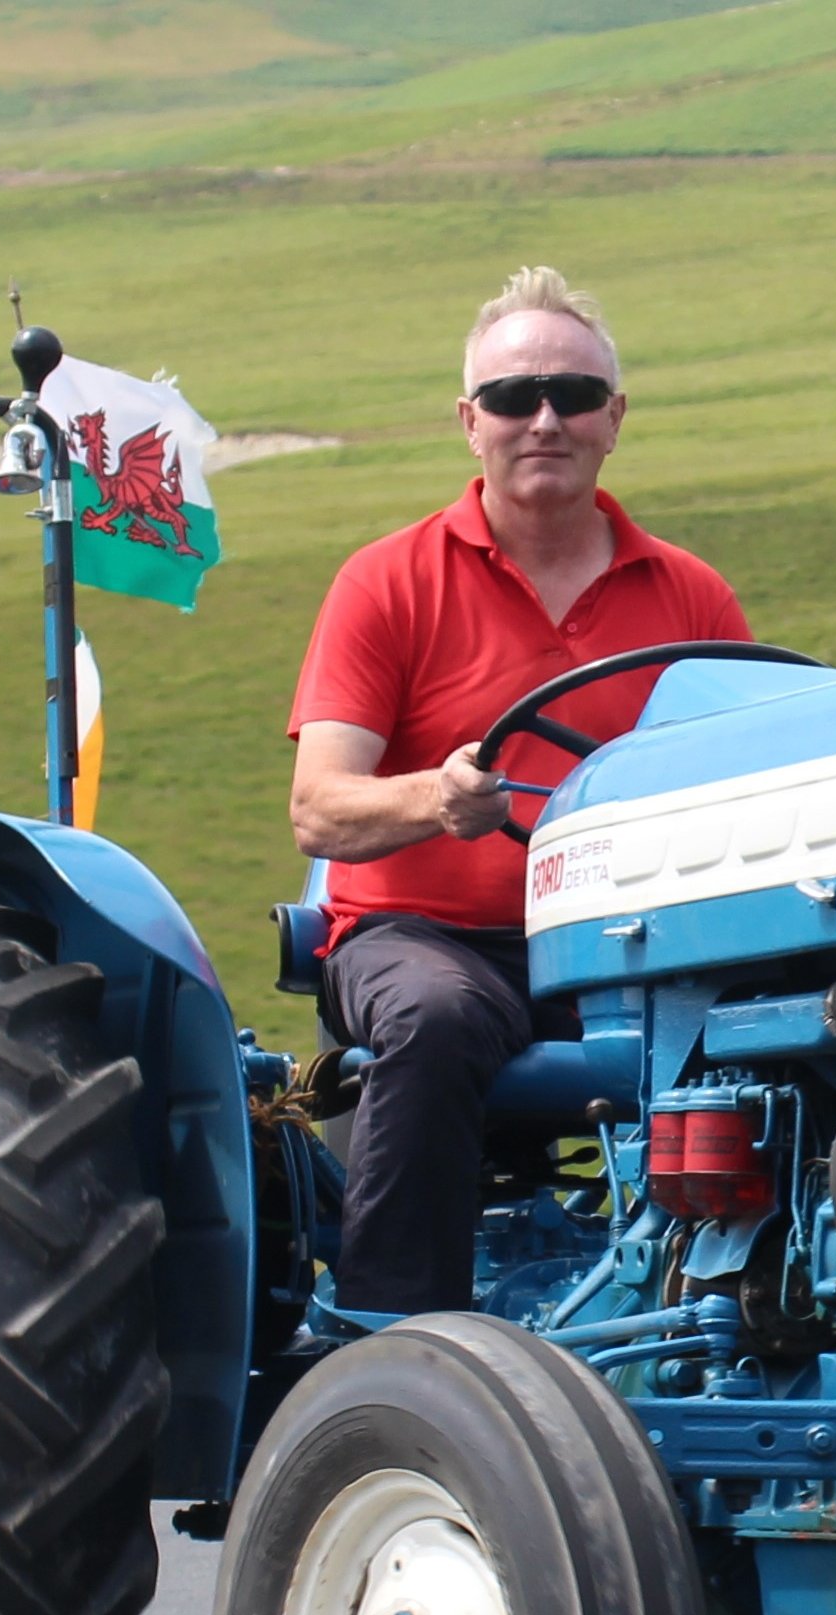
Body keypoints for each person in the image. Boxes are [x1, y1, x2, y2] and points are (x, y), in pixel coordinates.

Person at [286, 266, 751, 1314]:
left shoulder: (690, 594)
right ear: (470, 422)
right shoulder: (388, 582)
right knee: (437, 1016)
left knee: (807, 1027)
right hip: (426, 935)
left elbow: (748, 773)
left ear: (614, 419)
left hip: (631, 942)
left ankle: (757, 1309)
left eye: (575, 396)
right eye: (512, 398)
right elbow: (320, 805)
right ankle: (392, 1334)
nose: (545, 420)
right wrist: (433, 802)